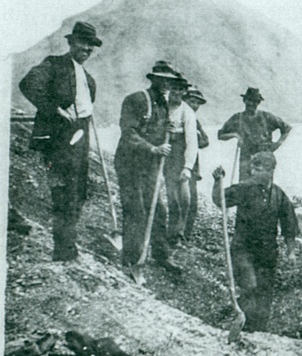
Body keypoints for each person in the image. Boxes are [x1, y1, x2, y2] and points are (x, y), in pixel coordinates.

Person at [18, 21, 102, 261]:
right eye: (83, 43)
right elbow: (28, 84)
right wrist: (55, 109)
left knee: (79, 191)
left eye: (91, 45)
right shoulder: (54, 65)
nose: (87, 49)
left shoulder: (88, 79)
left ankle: (69, 244)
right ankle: (63, 250)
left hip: (80, 137)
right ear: (72, 42)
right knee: (64, 191)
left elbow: (86, 107)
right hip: (59, 138)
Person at [212, 151, 298, 331]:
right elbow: (220, 200)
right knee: (250, 286)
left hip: (267, 253)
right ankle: (243, 324)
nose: (253, 172)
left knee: (265, 293)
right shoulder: (245, 188)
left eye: (258, 169)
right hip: (243, 250)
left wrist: (291, 251)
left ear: (270, 171)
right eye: (253, 168)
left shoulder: (279, 195)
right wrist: (217, 181)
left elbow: (289, 224)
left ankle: (259, 331)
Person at [114, 61, 186, 275]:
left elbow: (156, 129)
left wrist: (166, 129)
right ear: (153, 79)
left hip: (150, 164)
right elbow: (128, 132)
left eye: (170, 81)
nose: (166, 84)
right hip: (130, 163)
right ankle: (131, 260)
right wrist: (152, 148)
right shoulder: (136, 99)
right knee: (135, 210)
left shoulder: (163, 104)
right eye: (162, 79)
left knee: (158, 209)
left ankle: (161, 255)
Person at [217, 87, 291, 181]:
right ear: (244, 101)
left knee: (263, 185)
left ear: (258, 103)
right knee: (244, 185)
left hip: (264, 157)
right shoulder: (237, 118)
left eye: (255, 101)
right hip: (246, 158)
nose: (252, 104)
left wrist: (277, 144)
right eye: (250, 100)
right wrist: (235, 135)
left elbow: (287, 128)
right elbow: (220, 135)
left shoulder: (266, 116)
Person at [163, 79, 198, 247]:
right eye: (173, 88)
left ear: (184, 92)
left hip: (177, 157)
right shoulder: (161, 105)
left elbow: (192, 142)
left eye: (180, 89)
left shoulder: (187, 112)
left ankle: (176, 234)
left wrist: (187, 167)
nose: (176, 92)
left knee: (180, 199)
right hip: (159, 150)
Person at [182, 85, 209, 239]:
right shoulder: (177, 116)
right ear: (185, 100)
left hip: (191, 166)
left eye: (198, 103)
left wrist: (195, 137)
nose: (195, 105)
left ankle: (186, 234)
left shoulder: (195, 122)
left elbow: (205, 141)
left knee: (192, 201)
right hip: (175, 164)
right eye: (192, 101)